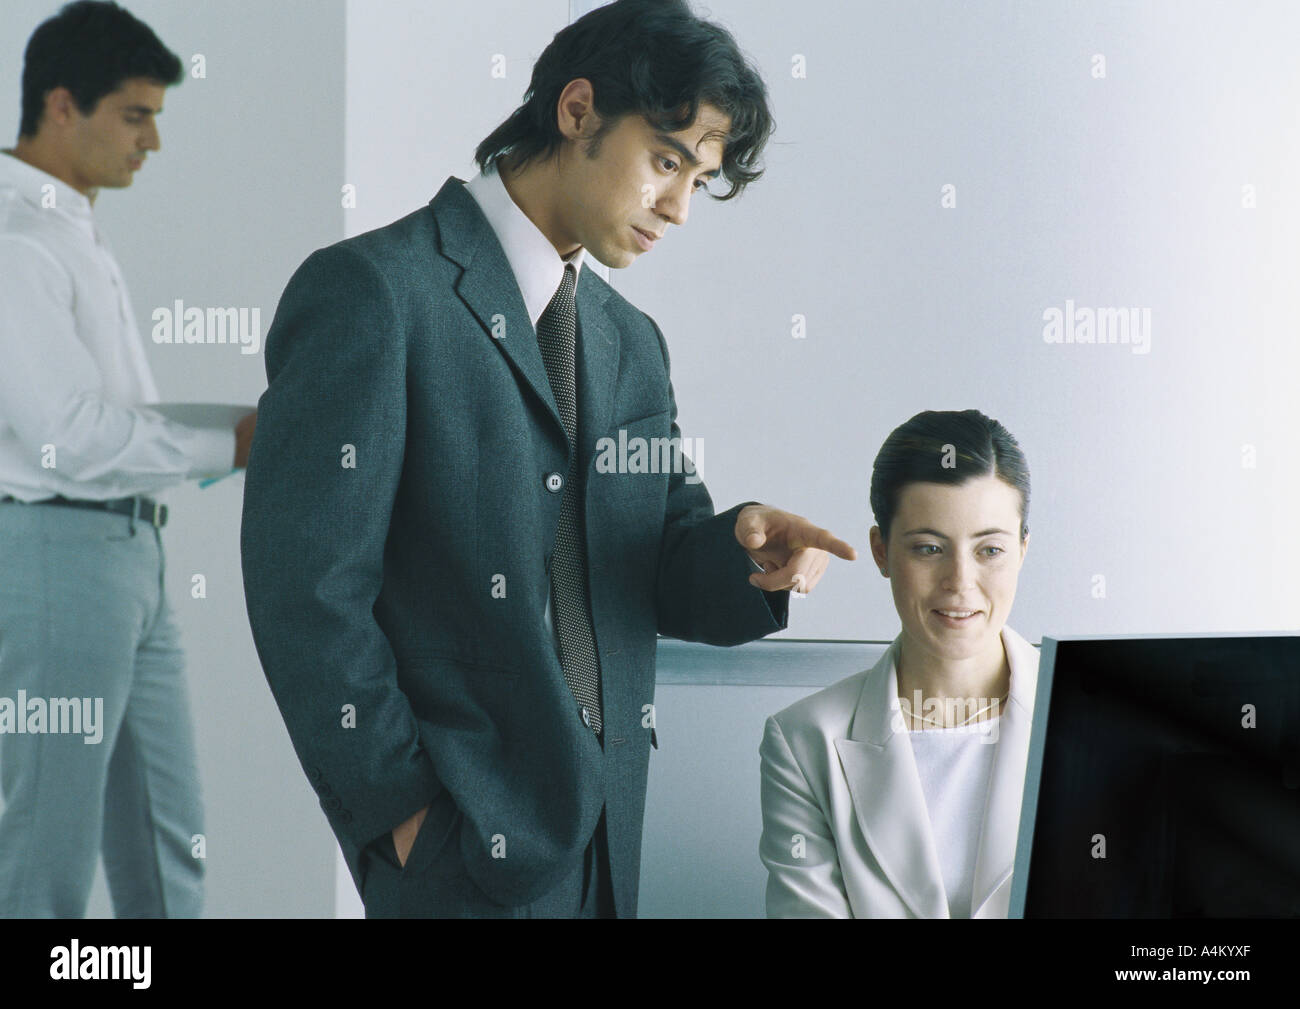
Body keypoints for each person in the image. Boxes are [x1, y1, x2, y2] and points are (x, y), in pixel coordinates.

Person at [240, 0, 855, 918]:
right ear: (577, 110)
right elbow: (305, 586)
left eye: (700, 179)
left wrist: (744, 553)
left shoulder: (629, 341)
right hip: (454, 845)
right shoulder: (374, 291)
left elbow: (645, 563)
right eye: (666, 161)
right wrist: (401, 814)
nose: (681, 209)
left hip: (610, 840)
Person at [0, 1, 256, 918]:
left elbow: (123, 418)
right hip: (56, 557)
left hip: (127, 558)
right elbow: (71, 434)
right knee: (44, 857)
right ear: (61, 105)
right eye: (135, 114)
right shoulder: (14, 239)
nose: (152, 141)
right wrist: (234, 442)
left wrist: (263, 425)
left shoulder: (70, 230)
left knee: (167, 842)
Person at [759, 409, 1038, 917]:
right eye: (929, 548)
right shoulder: (804, 741)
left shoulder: (1099, 712)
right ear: (881, 551)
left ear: (1022, 551)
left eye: (990, 550)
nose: (960, 582)